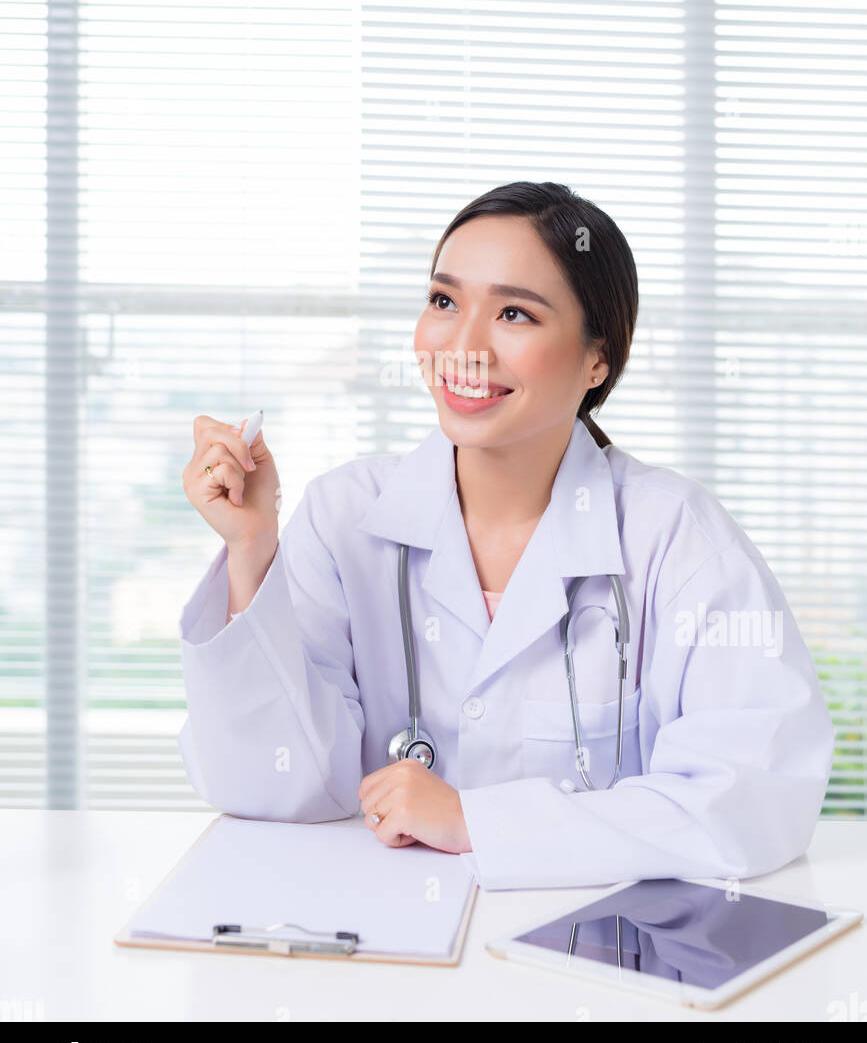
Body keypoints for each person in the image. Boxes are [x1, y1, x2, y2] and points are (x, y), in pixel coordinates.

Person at [178, 181, 834, 890]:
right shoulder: (344, 516)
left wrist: (475, 822)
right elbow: (271, 785)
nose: (462, 346)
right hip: (386, 939)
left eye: (515, 313)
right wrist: (250, 552)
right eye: (443, 301)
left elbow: (754, 795)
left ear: (596, 360)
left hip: (589, 959)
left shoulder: (675, 537)